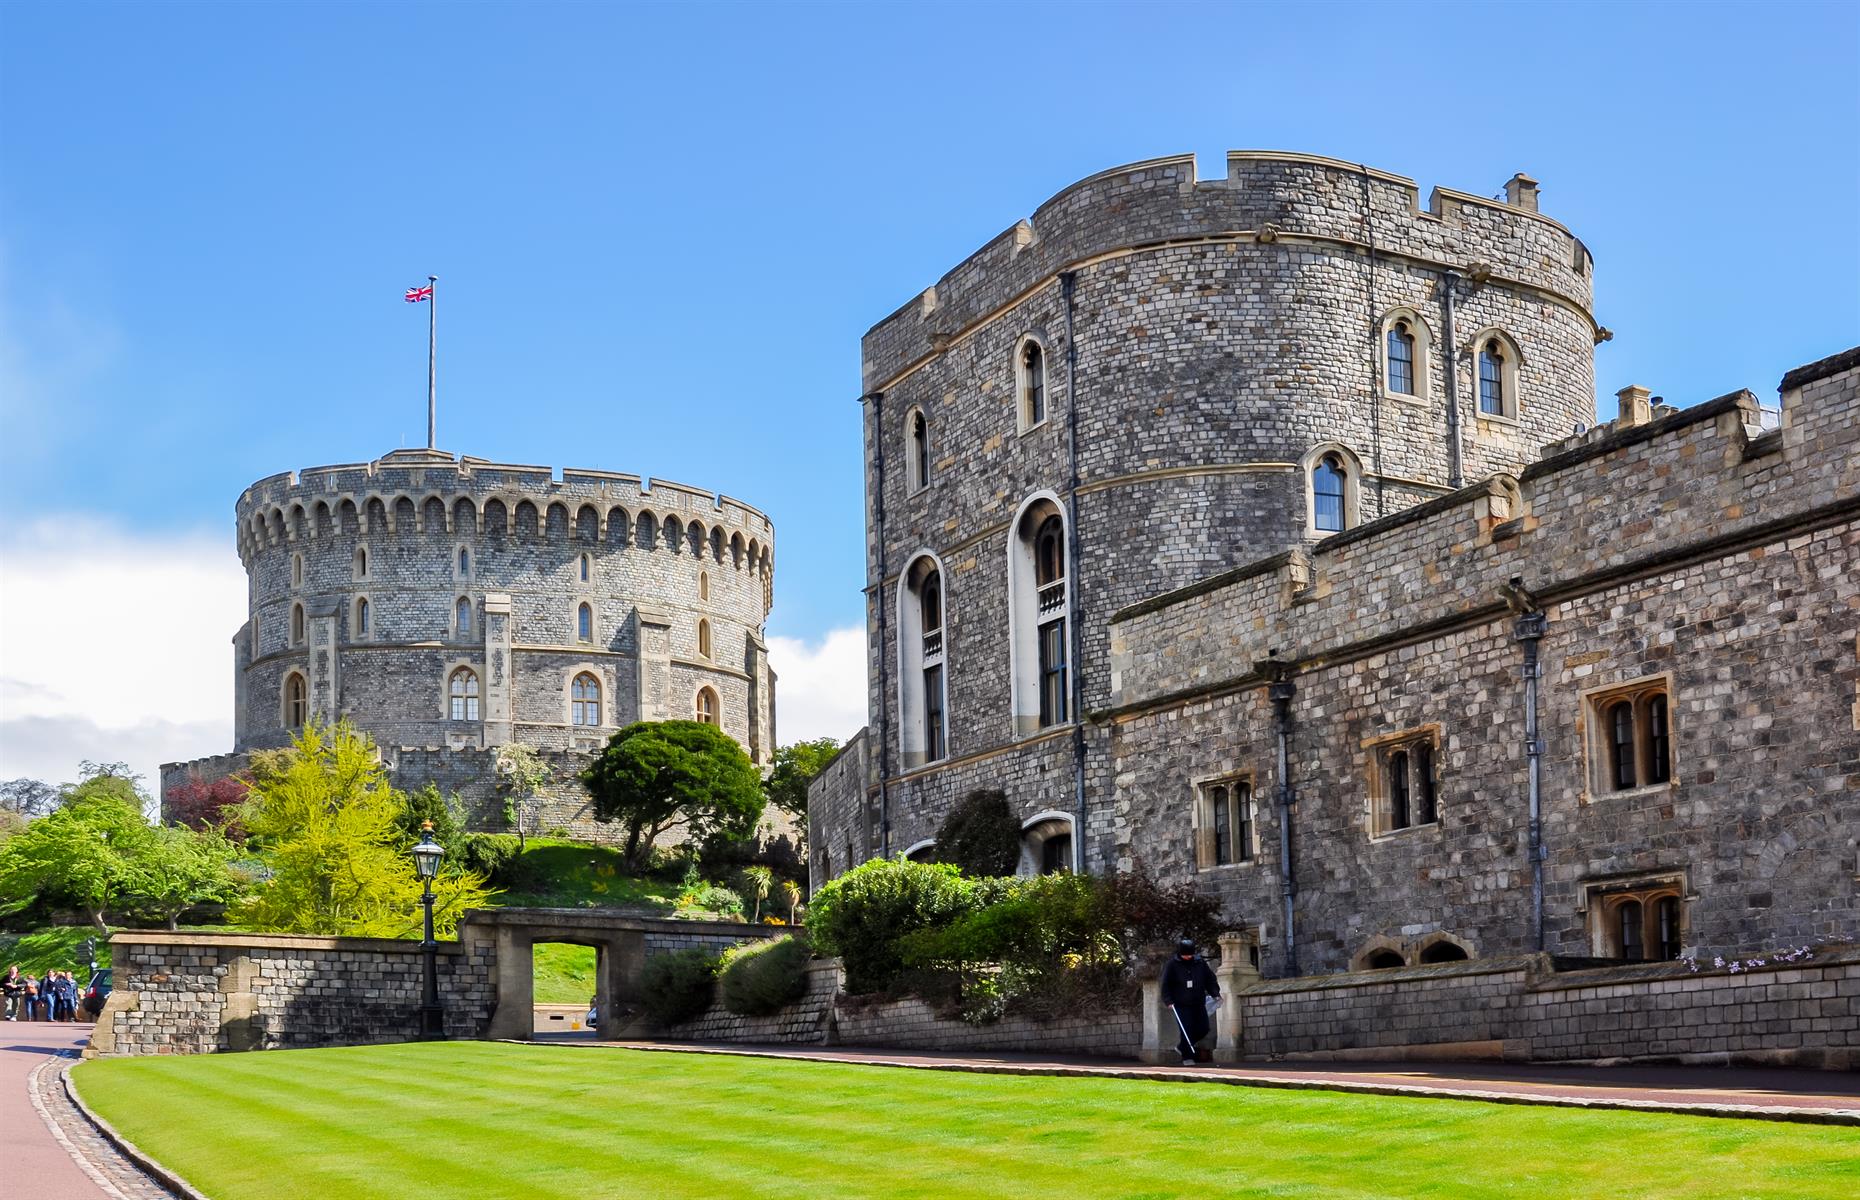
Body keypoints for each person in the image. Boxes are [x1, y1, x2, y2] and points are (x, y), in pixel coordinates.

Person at [1160, 938, 1220, 1066]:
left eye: (1190, 954)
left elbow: (1210, 979)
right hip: (1180, 1003)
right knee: (1186, 1030)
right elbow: (1165, 984)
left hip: (1198, 1001)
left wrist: (1215, 993)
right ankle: (1187, 1057)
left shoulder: (1200, 963)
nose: (1188, 957)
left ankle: (1182, 1047)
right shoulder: (1172, 965)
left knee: (1204, 1028)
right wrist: (1168, 1000)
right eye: (1185, 955)